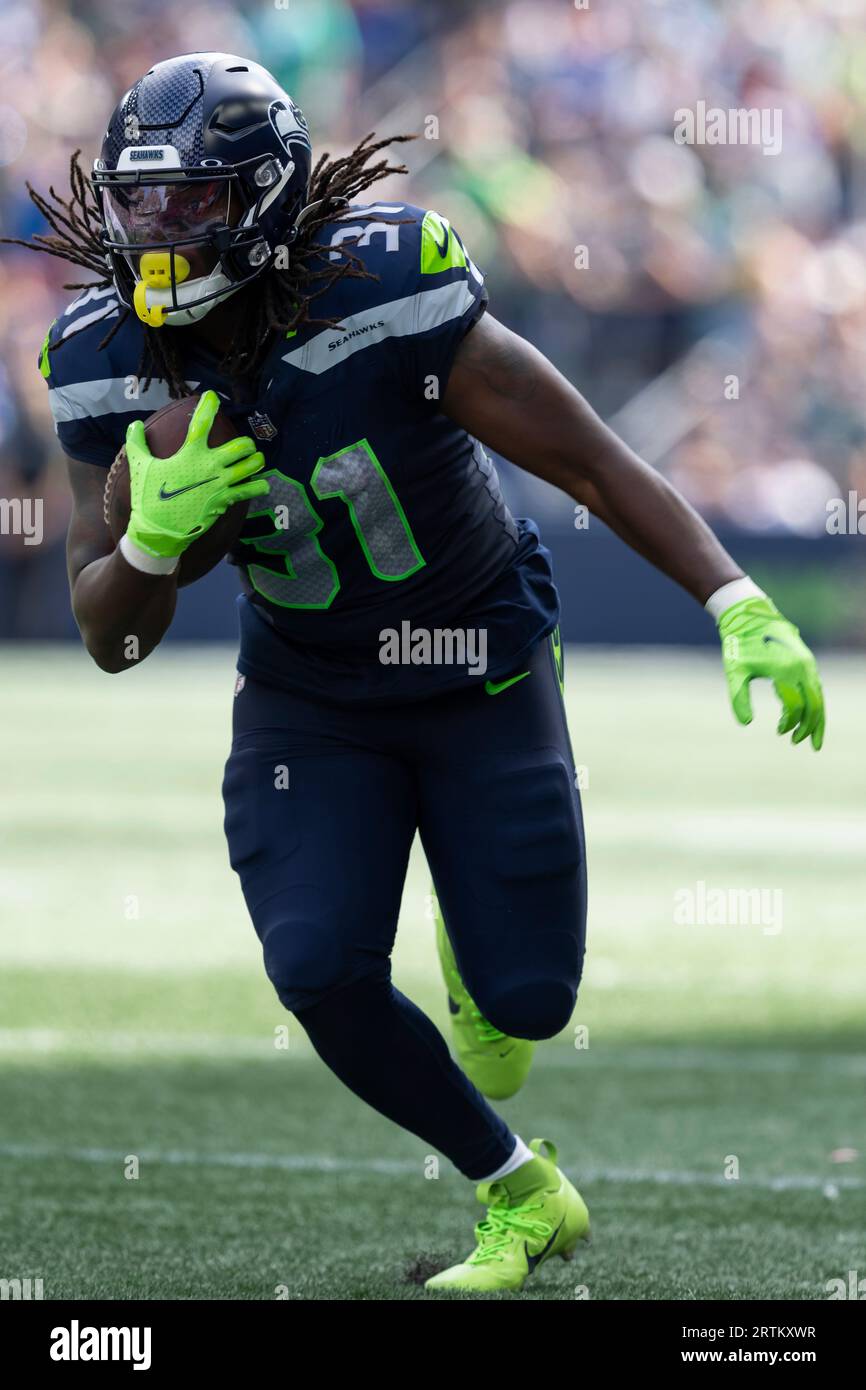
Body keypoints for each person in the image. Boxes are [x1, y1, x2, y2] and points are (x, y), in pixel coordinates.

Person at [14, 53, 825, 1293]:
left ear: (273, 203)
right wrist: (144, 546)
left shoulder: (380, 286)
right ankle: (518, 1191)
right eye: (143, 205)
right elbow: (109, 640)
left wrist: (734, 597)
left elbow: (591, 460)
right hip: (311, 691)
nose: (163, 237)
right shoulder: (100, 358)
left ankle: (477, 937)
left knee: (530, 999)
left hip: (478, 654)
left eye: (197, 205)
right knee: (316, 966)